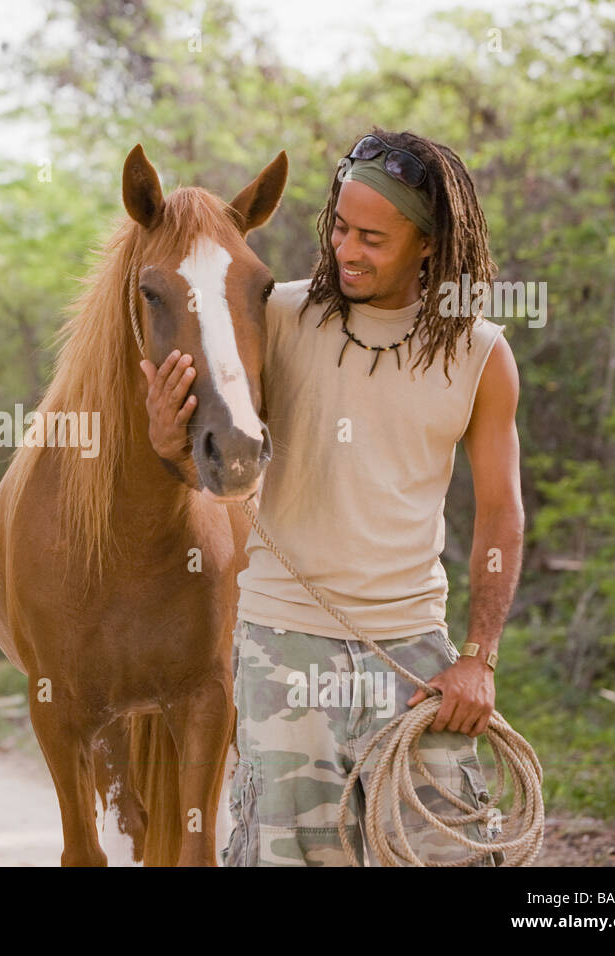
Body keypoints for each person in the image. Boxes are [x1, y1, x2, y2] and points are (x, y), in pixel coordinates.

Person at [140, 128, 522, 866]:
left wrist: (478, 656)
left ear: (430, 245)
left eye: (373, 238)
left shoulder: (481, 355)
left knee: (452, 855)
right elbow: (214, 465)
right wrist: (166, 443)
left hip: (414, 655)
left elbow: (502, 512)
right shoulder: (275, 318)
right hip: (283, 648)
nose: (346, 249)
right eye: (340, 227)